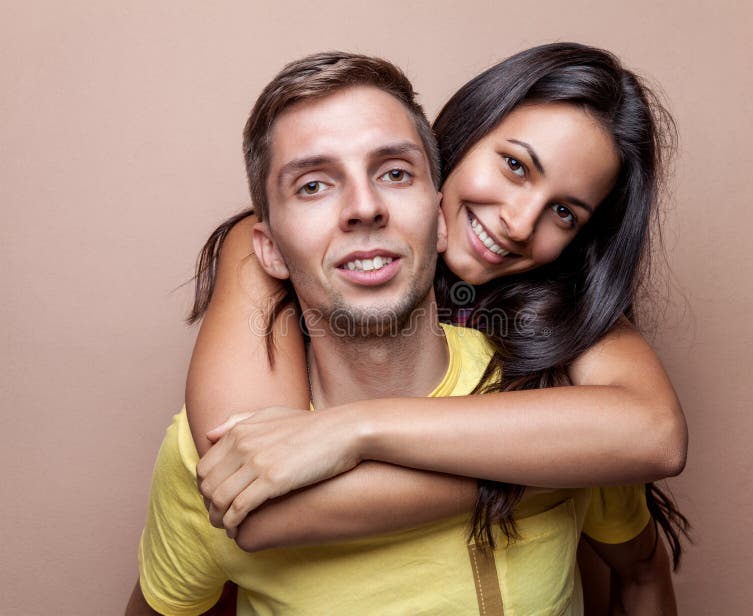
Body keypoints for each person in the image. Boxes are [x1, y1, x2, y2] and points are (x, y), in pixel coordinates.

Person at [127, 51, 681, 616]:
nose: (518, 221)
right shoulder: (261, 246)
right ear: (453, 148)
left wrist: (356, 430)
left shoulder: (554, 355)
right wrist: (555, 473)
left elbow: (654, 434)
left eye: (565, 212)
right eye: (516, 166)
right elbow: (256, 497)